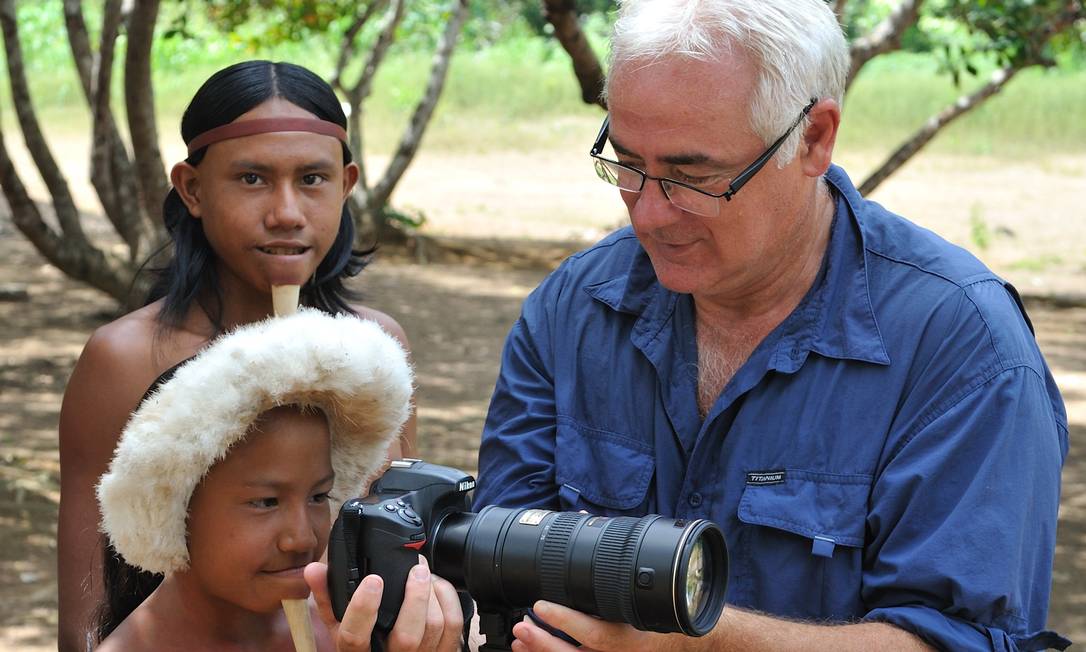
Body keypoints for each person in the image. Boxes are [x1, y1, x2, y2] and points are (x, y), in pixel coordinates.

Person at [473, 2, 1070, 651]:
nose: (647, 214)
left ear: (813, 138)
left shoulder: (960, 347)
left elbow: (960, 639)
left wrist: (696, 641)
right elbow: (494, 564)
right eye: (626, 163)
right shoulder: (573, 310)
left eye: (690, 175)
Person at [55, 60, 459, 651]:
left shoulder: (375, 354)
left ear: (346, 185)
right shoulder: (126, 360)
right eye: (252, 179)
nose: (287, 213)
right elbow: (86, 622)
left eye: (313, 180)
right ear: (192, 188)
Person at [94, 308, 463, 651]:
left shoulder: (350, 627)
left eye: (319, 496)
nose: (301, 538)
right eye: (266, 502)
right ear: (171, 510)